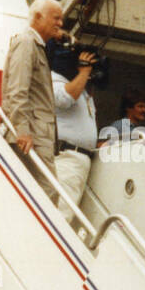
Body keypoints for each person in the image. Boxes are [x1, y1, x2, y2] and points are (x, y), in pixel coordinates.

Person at [1, 0, 63, 174]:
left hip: (37, 136)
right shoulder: (27, 43)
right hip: (31, 136)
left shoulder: (36, 46)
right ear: (38, 16)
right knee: (47, 191)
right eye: (56, 18)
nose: (60, 23)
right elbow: (17, 90)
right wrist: (22, 130)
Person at [50, 43, 101, 220]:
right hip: (66, 158)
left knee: (67, 216)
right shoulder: (54, 77)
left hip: (79, 162)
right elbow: (63, 99)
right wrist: (84, 72)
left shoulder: (81, 85)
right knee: (59, 217)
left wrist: (87, 75)